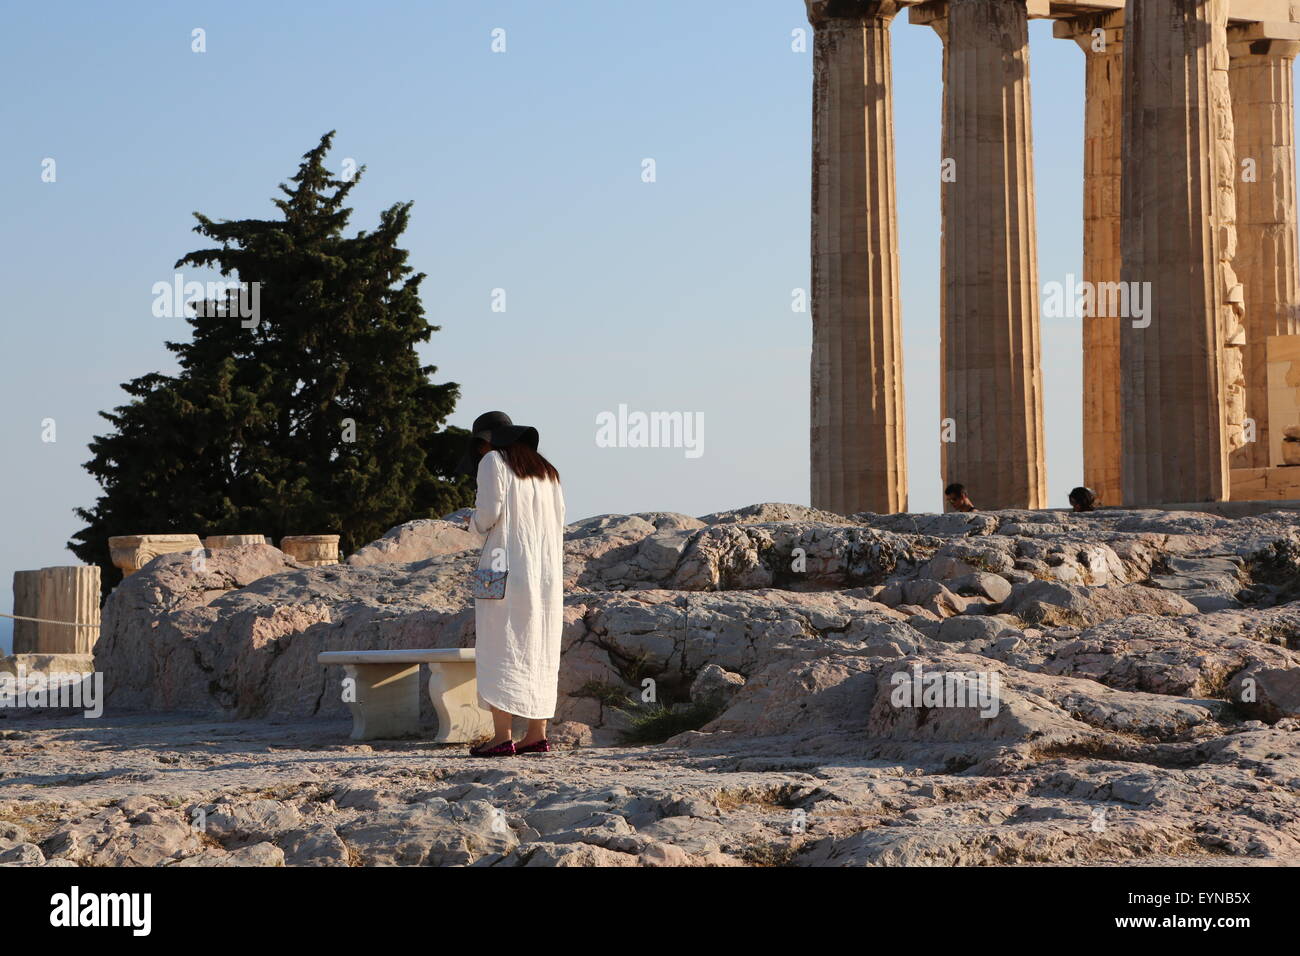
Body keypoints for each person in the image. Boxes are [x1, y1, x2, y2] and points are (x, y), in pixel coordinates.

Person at [457, 411, 566, 757]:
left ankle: (502, 736)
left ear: (486, 441)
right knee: (540, 647)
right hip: (545, 576)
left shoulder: (492, 462)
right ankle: (536, 734)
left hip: (500, 570)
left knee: (497, 645)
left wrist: (471, 522)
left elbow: (488, 514)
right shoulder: (548, 473)